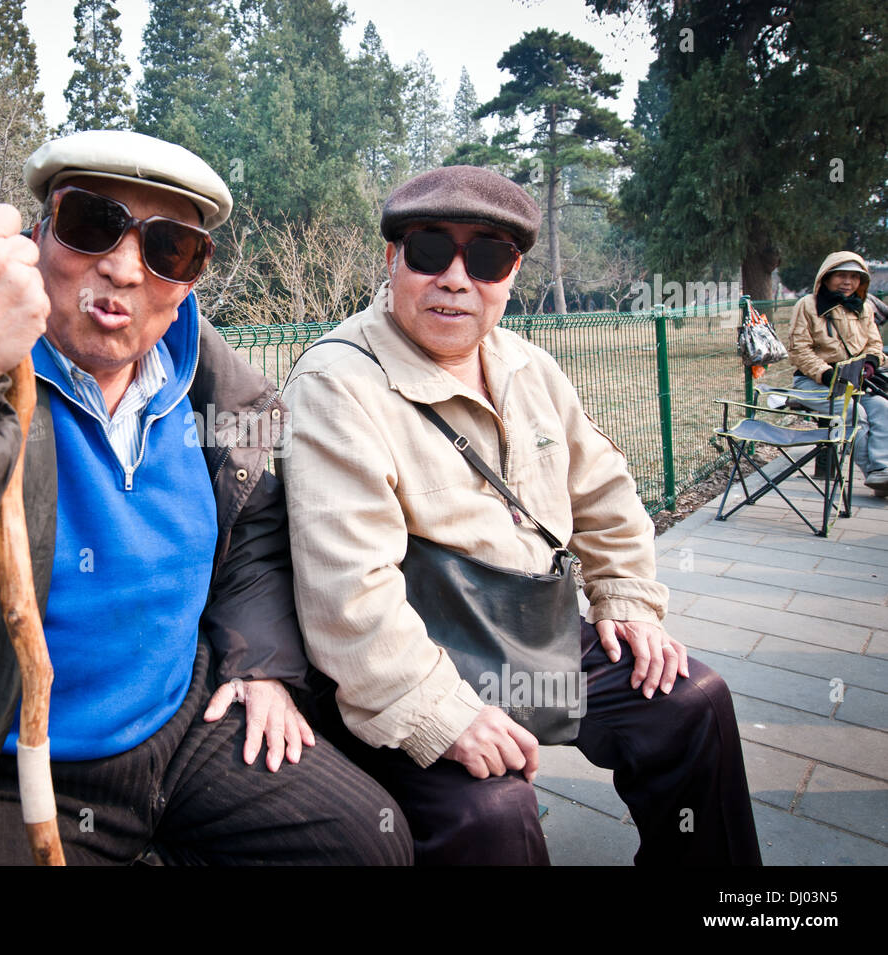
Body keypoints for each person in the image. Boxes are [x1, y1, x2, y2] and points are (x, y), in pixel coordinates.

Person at [0, 130, 410, 866]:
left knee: (363, 841)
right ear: (39, 235)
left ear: (192, 278)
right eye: (92, 223)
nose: (124, 266)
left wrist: (259, 661)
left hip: (186, 719)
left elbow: (255, 533)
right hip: (9, 754)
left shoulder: (211, 388)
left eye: (169, 248)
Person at [279, 165, 762, 865]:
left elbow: (605, 491)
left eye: (485, 257)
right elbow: (347, 591)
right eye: (428, 250)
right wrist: (441, 713)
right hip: (414, 657)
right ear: (391, 260)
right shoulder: (335, 384)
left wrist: (625, 596)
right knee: (494, 815)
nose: (454, 277)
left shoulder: (527, 367)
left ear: (512, 276)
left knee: (693, 702)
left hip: (529, 635)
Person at [786, 251, 887, 497]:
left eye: (854, 277)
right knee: (854, 412)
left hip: (855, 382)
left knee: (882, 407)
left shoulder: (864, 307)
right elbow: (799, 349)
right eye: (841, 275)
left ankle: (883, 469)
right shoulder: (808, 305)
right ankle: (875, 474)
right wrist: (827, 373)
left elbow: (874, 344)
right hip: (814, 382)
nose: (847, 282)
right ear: (827, 276)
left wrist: (871, 363)